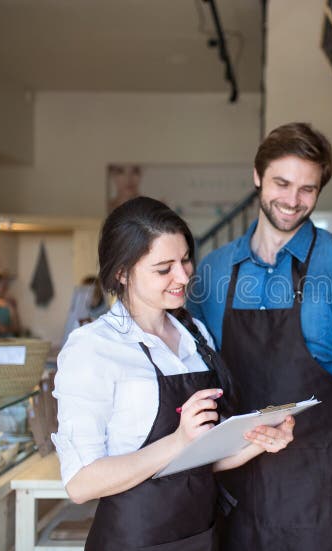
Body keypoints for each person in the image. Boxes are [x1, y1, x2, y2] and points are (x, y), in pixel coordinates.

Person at [187, 122, 332, 550]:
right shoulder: (213, 270)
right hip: (235, 482)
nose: (293, 201)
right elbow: (196, 369)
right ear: (257, 176)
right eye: (282, 183)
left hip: (321, 486)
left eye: (308, 189)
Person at [52, 196, 295, 550]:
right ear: (122, 272)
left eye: (184, 260)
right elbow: (81, 483)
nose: (183, 276)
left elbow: (195, 464)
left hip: (203, 534)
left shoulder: (193, 332)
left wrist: (259, 442)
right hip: (134, 540)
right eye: (164, 268)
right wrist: (178, 441)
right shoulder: (93, 348)